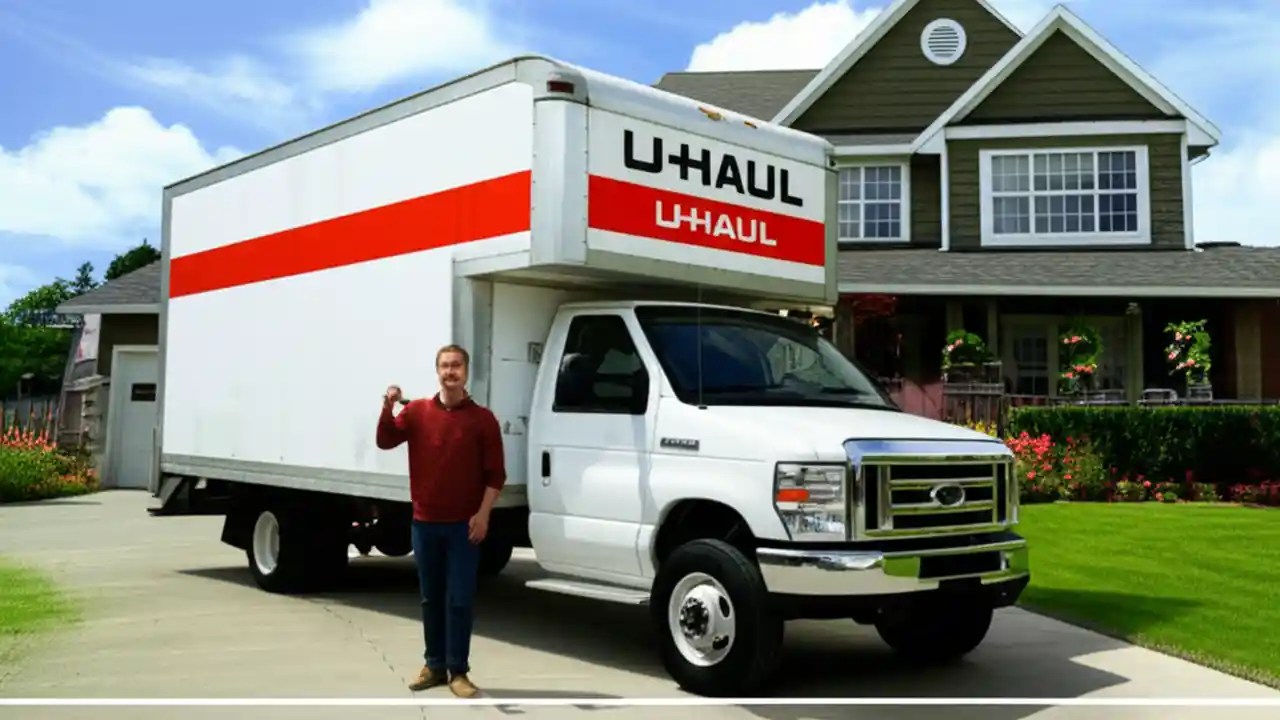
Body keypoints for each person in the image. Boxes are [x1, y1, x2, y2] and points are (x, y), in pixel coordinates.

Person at [375, 344, 506, 698]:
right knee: (431, 599)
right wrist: (388, 404)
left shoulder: (483, 420)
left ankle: (458, 671)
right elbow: (385, 440)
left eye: (457, 366)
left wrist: (483, 515)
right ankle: (434, 665)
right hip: (425, 524)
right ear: (438, 372)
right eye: (445, 366)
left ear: (466, 372)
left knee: (460, 599)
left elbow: (496, 476)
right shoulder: (417, 412)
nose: (451, 372)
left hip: (464, 527)